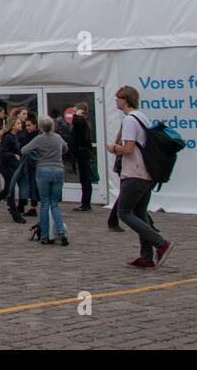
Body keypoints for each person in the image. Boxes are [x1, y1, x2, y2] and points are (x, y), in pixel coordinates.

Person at [106, 86, 174, 269]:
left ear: (126, 98)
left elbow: (128, 149)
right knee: (140, 213)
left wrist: (114, 148)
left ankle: (161, 243)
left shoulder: (129, 120)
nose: (115, 100)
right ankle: (146, 257)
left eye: (118, 97)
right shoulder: (142, 116)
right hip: (147, 173)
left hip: (134, 173)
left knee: (124, 212)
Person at [22, 116, 70, 246]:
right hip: (58, 170)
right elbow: (66, 149)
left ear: (40, 127)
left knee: (44, 203)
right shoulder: (58, 138)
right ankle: (61, 232)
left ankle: (44, 235)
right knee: (54, 204)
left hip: (43, 170)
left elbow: (24, 150)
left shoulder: (39, 139)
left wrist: (37, 155)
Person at [0, 115, 26, 222]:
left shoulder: (14, 136)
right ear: (12, 126)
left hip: (12, 166)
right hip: (7, 167)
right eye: (18, 123)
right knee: (10, 190)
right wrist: (13, 155)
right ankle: (15, 214)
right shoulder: (8, 137)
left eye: (20, 123)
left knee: (7, 190)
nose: (20, 125)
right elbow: (2, 153)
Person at [69, 102, 94, 211]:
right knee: (84, 178)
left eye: (76, 111)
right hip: (82, 153)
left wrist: (77, 115)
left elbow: (75, 121)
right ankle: (85, 202)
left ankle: (86, 203)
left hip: (83, 153)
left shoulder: (81, 121)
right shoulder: (82, 122)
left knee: (85, 179)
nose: (74, 113)